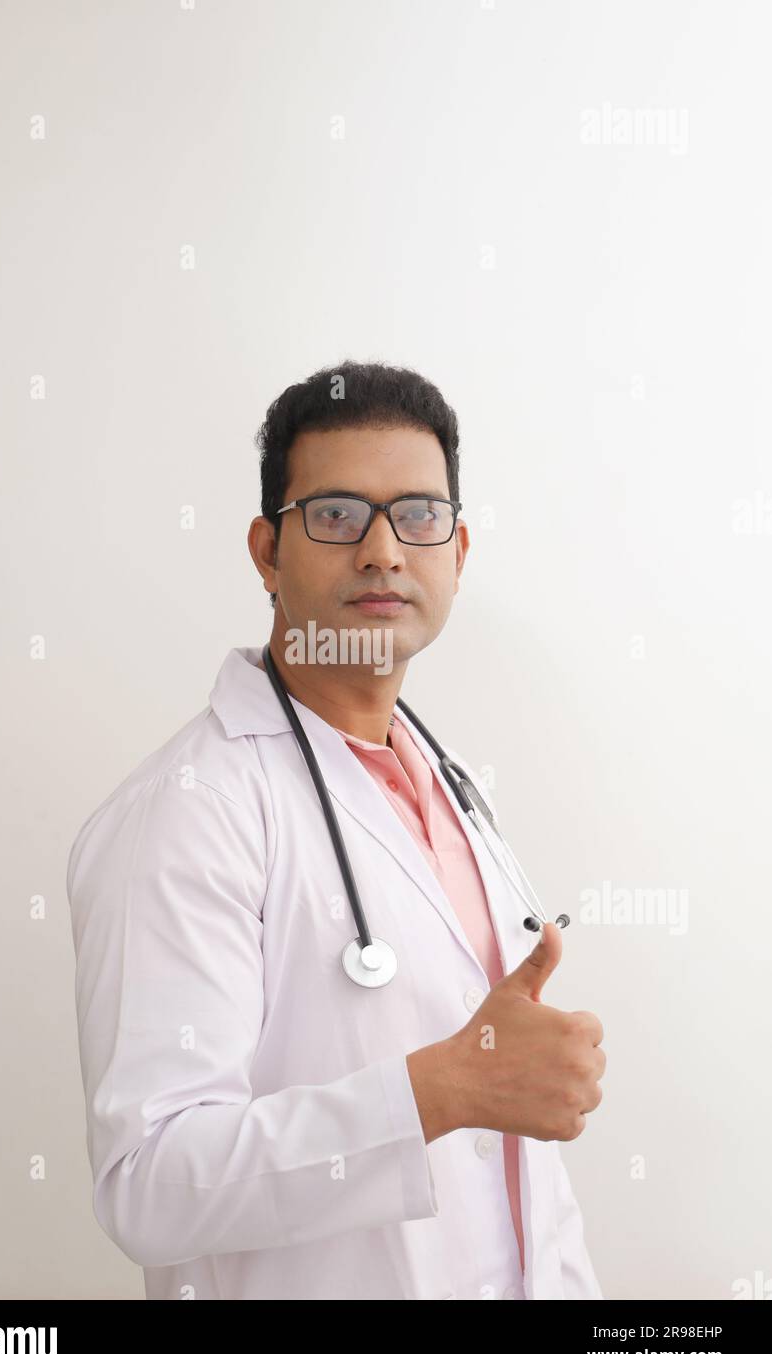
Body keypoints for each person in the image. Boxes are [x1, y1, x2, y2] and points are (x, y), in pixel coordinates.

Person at [67, 359, 606, 1301]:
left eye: (419, 516)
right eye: (337, 515)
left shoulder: (455, 787)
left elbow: (519, 1185)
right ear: (266, 552)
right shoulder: (191, 809)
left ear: (459, 550)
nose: (384, 550)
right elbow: (149, 1181)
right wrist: (446, 1091)